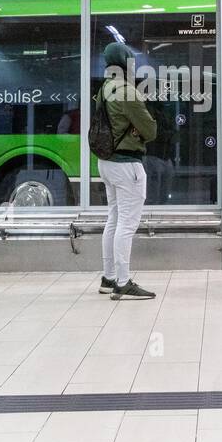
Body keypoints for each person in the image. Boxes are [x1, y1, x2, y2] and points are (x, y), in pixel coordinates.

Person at [96, 42, 157, 301]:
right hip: (126, 165)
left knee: (113, 219)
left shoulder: (104, 89)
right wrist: (137, 130)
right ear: (125, 62)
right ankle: (123, 282)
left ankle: (109, 277)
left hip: (106, 162)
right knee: (127, 225)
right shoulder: (127, 91)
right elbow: (151, 130)